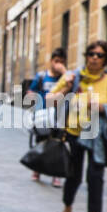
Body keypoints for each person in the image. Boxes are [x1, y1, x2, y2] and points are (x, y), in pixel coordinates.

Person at [46, 40, 107, 212]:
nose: (95, 58)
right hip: (74, 132)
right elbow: (49, 100)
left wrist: (102, 108)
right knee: (74, 175)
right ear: (86, 56)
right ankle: (68, 209)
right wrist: (67, 88)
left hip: (98, 136)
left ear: (106, 59)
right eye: (91, 54)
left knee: (95, 177)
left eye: (100, 55)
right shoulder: (73, 76)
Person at [25, 48, 67, 187]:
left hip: (59, 116)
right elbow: (32, 91)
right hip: (43, 115)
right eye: (56, 61)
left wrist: (64, 73)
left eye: (61, 62)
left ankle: (56, 175)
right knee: (41, 143)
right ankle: (37, 170)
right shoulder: (42, 76)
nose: (58, 65)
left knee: (57, 144)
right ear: (51, 61)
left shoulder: (65, 77)